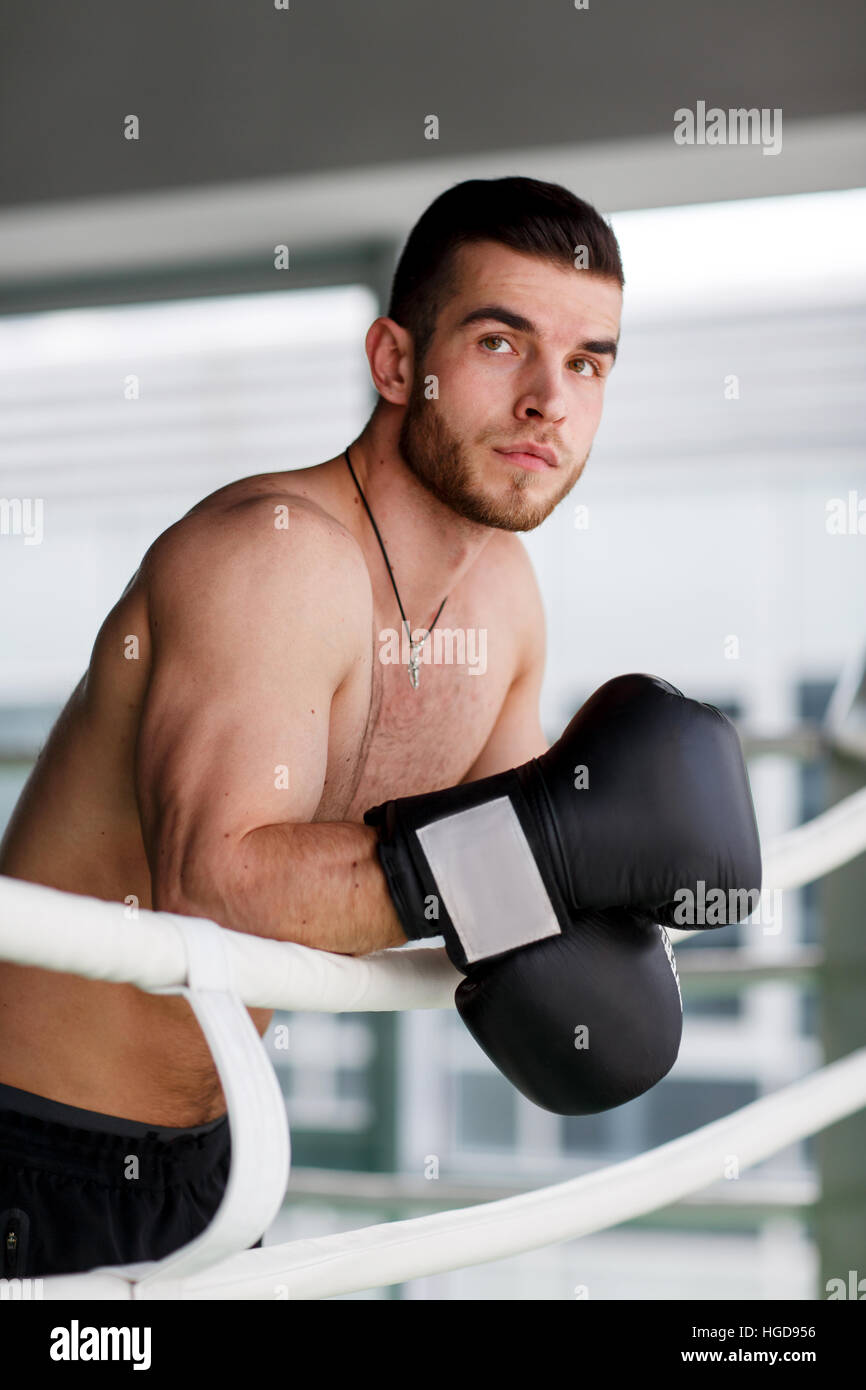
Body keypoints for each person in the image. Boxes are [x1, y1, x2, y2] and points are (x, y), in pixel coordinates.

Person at [0, 176, 759, 1278]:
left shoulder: (504, 604)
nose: (550, 396)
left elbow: (505, 897)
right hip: (29, 1148)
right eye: (502, 343)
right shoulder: (276, 553)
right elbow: (213, 887)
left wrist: (600, 890)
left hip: (215, 1158)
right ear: (399, 362)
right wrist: (554, 846)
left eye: (587, 361)